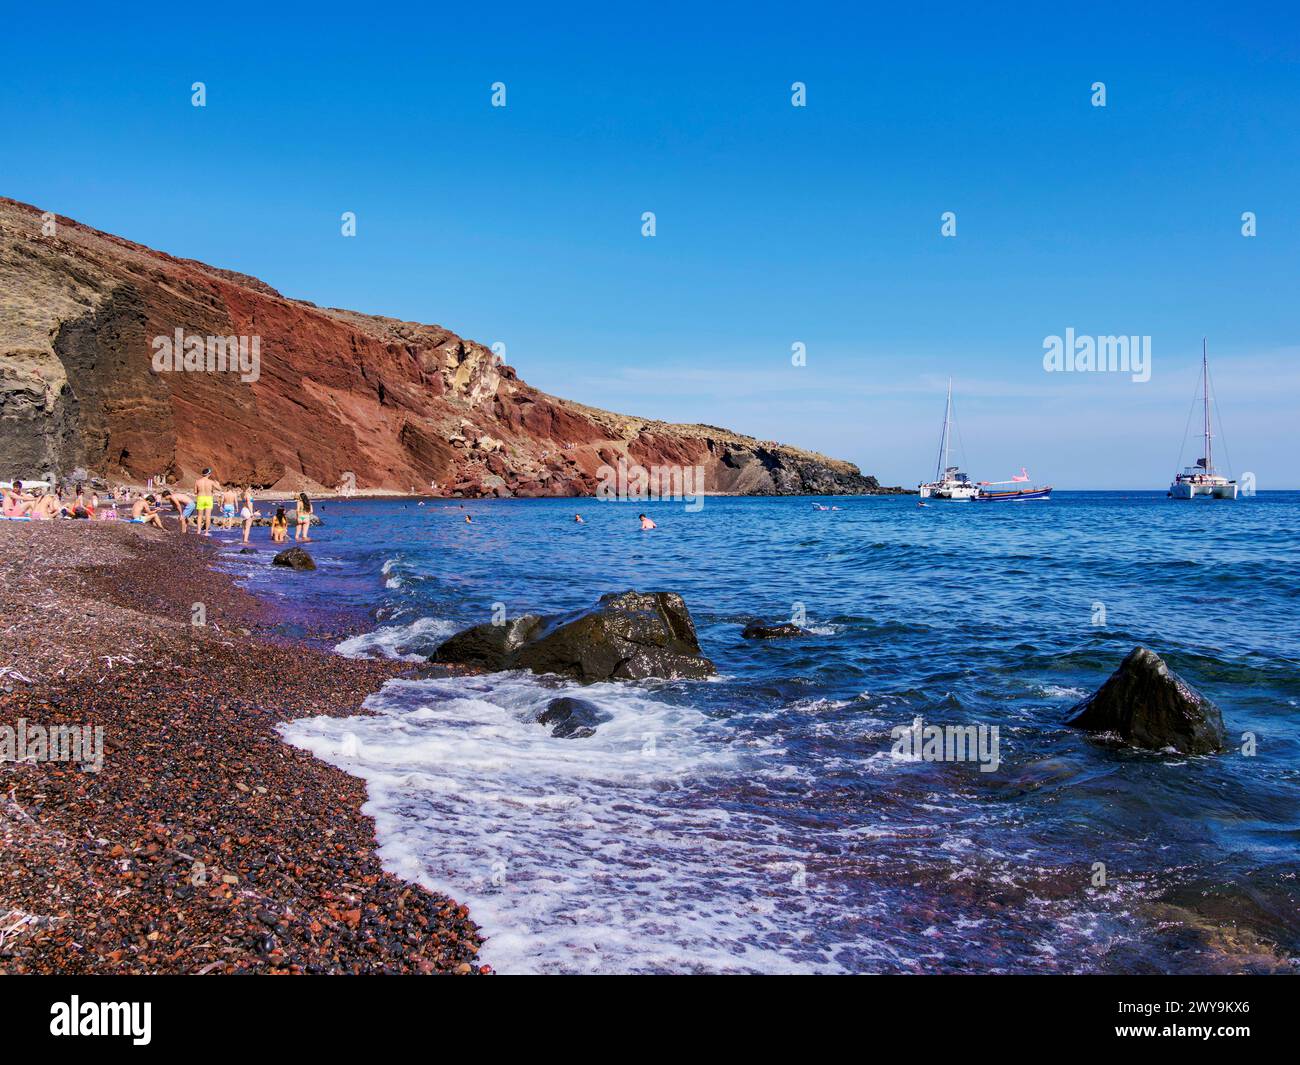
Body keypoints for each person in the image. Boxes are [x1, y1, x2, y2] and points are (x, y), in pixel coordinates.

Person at [194, 469, 217, 536]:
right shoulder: (211, 482)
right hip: (208, 498)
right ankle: (206, 532)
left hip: (200, 498)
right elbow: (219, 488)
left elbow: (195, 492)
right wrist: (216, 484)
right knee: (208, 516)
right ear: (209, 474)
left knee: (199, 516)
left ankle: (198, 531)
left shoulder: (197, 481)